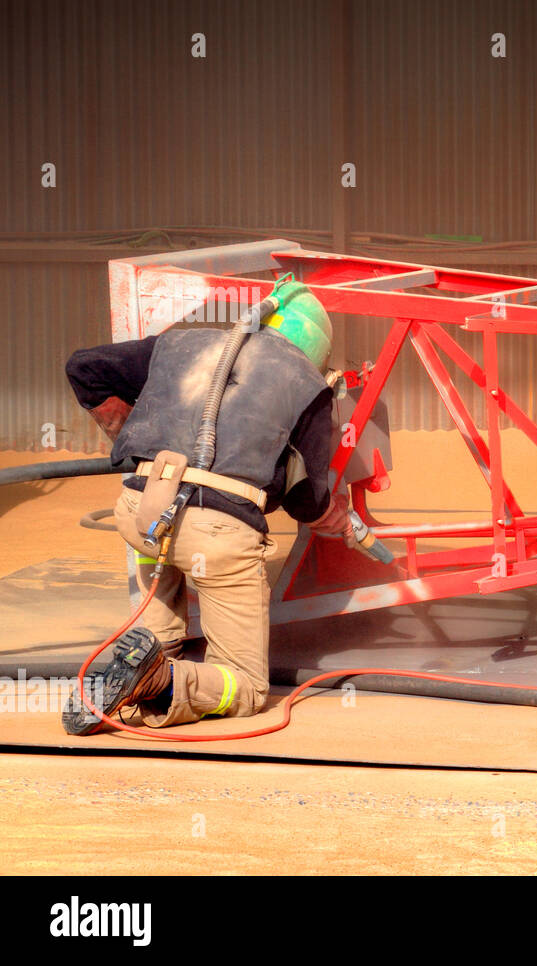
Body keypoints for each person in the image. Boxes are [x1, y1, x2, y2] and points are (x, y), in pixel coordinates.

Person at [61, 282, 352, 735]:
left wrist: (126, 435)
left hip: (141, 513)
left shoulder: (179, 343)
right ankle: (159, 679)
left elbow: (85, 367)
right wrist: (328, 513)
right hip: (216, 534)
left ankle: (148, 656)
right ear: (314, 348)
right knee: (247, 686)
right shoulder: (307, 384)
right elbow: (305, 501)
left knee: (162, 572)